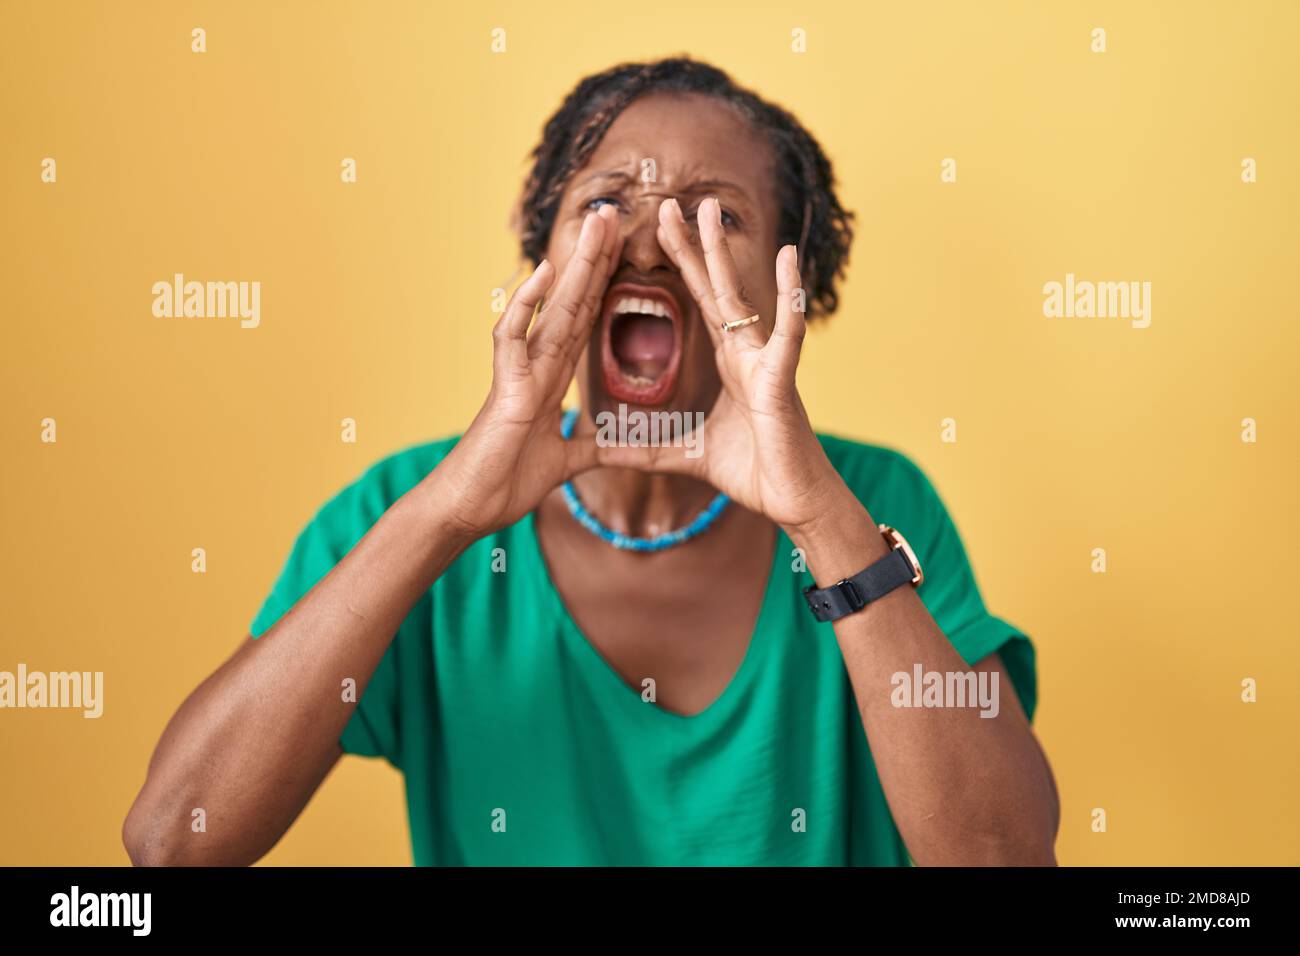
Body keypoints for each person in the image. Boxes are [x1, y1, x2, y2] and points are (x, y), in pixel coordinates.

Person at [124, 57, 1059, 866]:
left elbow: (1007, 856)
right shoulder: (406, 510)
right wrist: (446, 513)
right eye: (607, 202)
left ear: (788, 290)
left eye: (715, 215)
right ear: (543, 257)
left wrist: (822, 519)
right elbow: (174, 841)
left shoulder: (873, 502)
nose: (651, 239)